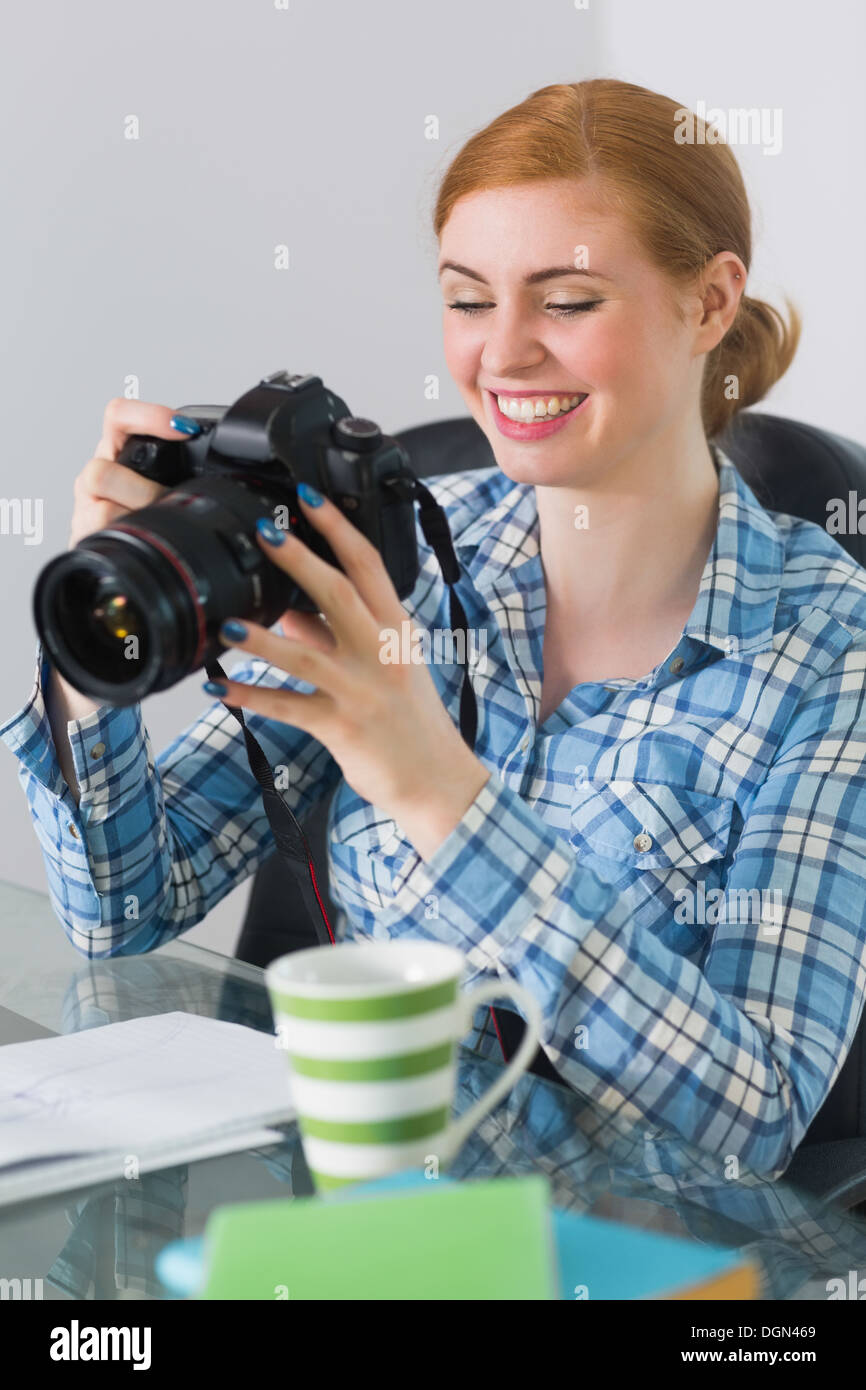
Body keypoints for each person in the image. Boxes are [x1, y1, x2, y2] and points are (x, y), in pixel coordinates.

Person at [4, 78, 865, 1180]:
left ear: (707, 305)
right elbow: (120, 908)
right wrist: (101, 643)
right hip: (365, 1236)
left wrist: (438, 793)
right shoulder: (399, 559)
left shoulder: (827, 650)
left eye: (565, 301)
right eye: (467, 299)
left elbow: (754, 1115)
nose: (500, 355)